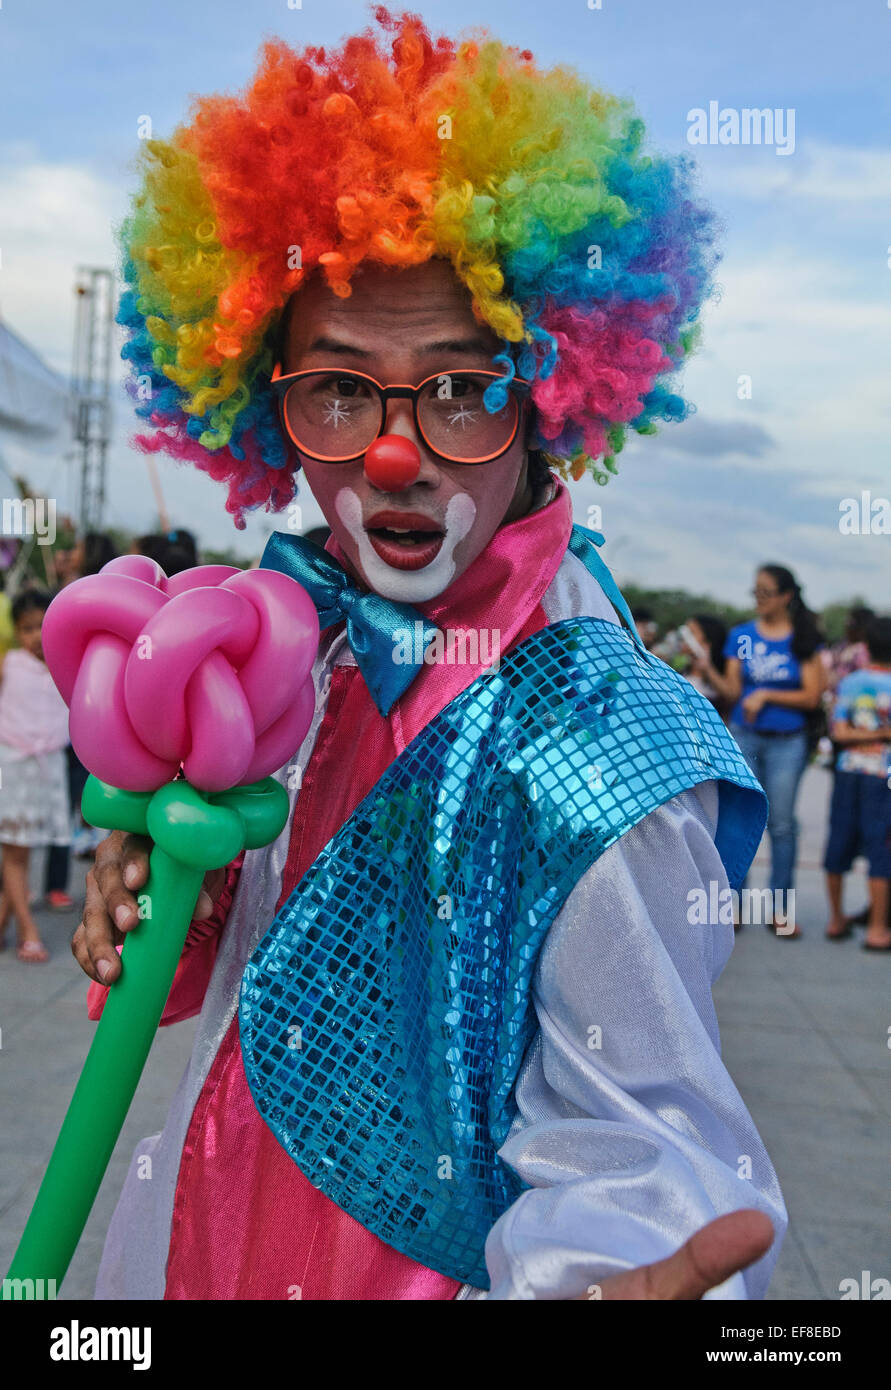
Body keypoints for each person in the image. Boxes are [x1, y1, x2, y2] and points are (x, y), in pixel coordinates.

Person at [72, 13, 784, 1300]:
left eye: (461, 387)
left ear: (554, 393)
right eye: (340, 388)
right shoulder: (303, 644)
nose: (393, 456)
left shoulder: (591, 730)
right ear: (263, 398)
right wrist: (184, 890)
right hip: (210, 1235)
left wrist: (605, 1273)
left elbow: (641, 1136)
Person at [696, 566, 824, 938]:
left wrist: (767, 694)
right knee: (740, 816)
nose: (759, 599)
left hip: (789, 741)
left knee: (782, 824)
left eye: (766, 592)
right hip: (745, 736)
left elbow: (813, 695)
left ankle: (781, 909)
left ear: (786, 596)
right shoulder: (742, 636)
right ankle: (734, 904)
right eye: (755, 592)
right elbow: (733, 693)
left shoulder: (803, 639)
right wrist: (708, 669)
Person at [0, 589, 70, 961]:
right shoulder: (8, 664)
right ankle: (29, 930)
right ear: (15, 631)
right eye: (26, 628)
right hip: (14, 770)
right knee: (15, 853)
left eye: (42, 626)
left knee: (24, 851)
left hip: (48, 772)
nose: (34, 635)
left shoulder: (62, 665)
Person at [823, 615, 891, 951]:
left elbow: (840, 731)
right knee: (882, 848)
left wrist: (865, 734)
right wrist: (884, 733)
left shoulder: (851, 683)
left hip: (848, 770)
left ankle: (836, 919)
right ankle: (877, 928)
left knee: (839, 840)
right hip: (884, 775)